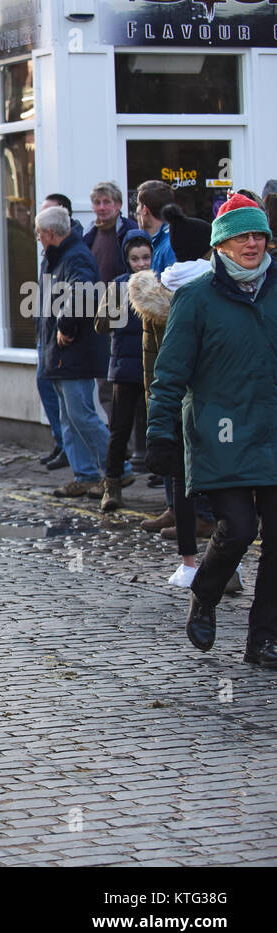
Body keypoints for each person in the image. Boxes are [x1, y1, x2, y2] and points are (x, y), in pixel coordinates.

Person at [145, 192, 277, 666]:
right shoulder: (198, 297)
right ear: (220, 244)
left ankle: (263, 638)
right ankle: (205, 592)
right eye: (242, 235)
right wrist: (160, 434)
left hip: (272, 427)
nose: (252, 243)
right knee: (239, 527)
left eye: (258, 234)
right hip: (221, 431)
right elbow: (170, 373)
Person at [130, 204, 222, 587]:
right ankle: (224, 559)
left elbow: (153, 362)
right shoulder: (215, 289)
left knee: (182, 486)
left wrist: (157, 412)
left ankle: (188, 563)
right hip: (212, 401)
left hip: (168, 402)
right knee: (221, 482)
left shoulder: (156, 291)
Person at [36, 205, 113, 498]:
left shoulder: (74, 255)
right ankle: (85, 475)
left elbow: (84, 293)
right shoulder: (60, 255)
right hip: (60, 352)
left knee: (81, 415)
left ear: (51, 233)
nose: (39, 240)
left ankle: (118, 470)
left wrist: (65, 327)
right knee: (69, 417)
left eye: (40, 234)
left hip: (73, 350)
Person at [94, 229, 152, 511]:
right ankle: (112, 486)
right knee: (119, 431)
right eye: (135, 259)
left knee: (161, 430)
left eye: (145, 258)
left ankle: (169, 490)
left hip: (153, 369)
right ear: (127, 260)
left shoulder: (161, 283)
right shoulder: (118, 286)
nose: (141, 264)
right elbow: (101, 325)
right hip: (124, 370)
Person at [84, 181, 136, 284]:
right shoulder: (89, 232)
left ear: (118, 205)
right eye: (97, 202)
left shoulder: (130, 231)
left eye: (106, 202)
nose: (101, 207)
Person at [135, 180, 177, 275]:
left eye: (138, 204)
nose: (137, 210)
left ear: (145, 210)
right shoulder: (163, 241)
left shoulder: (170, 245)